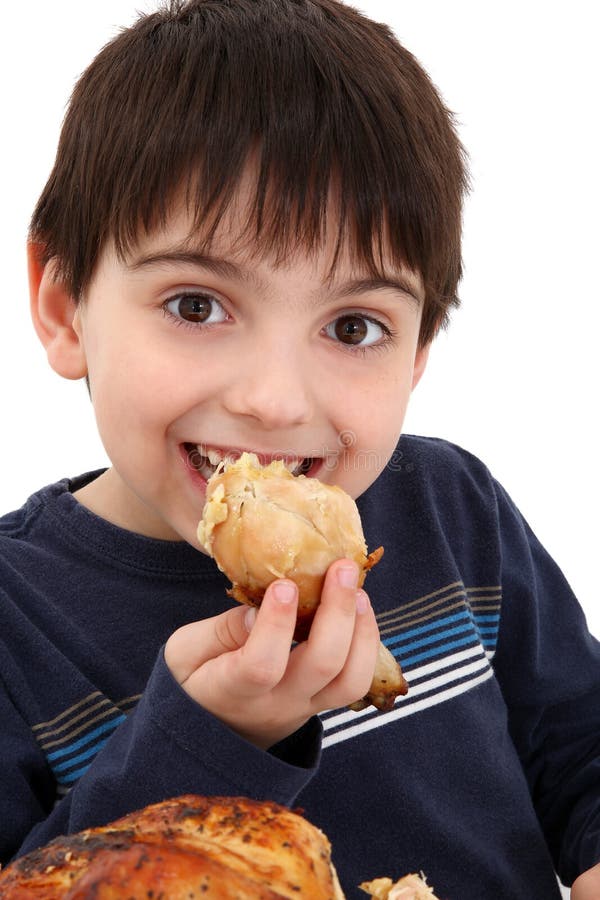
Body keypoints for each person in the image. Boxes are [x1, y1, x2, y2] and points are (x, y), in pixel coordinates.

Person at [0, 1, 598, 896]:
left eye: (354, 325)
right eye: (196, 306)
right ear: (63, 305)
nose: (274, 403)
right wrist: (211, 738)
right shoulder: (16, 624)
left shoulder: (455, 509)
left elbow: (581, 761)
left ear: (419, 352)